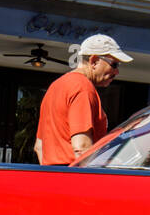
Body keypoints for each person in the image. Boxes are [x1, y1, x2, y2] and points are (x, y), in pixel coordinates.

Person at [35, 34, 132, 165]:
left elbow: (39, 147)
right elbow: (81, 147)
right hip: (75, 177)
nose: (117, 72)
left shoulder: (55, 86)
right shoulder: (83, 87)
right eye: (114, 65)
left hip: (53, 175)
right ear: (94, 61)